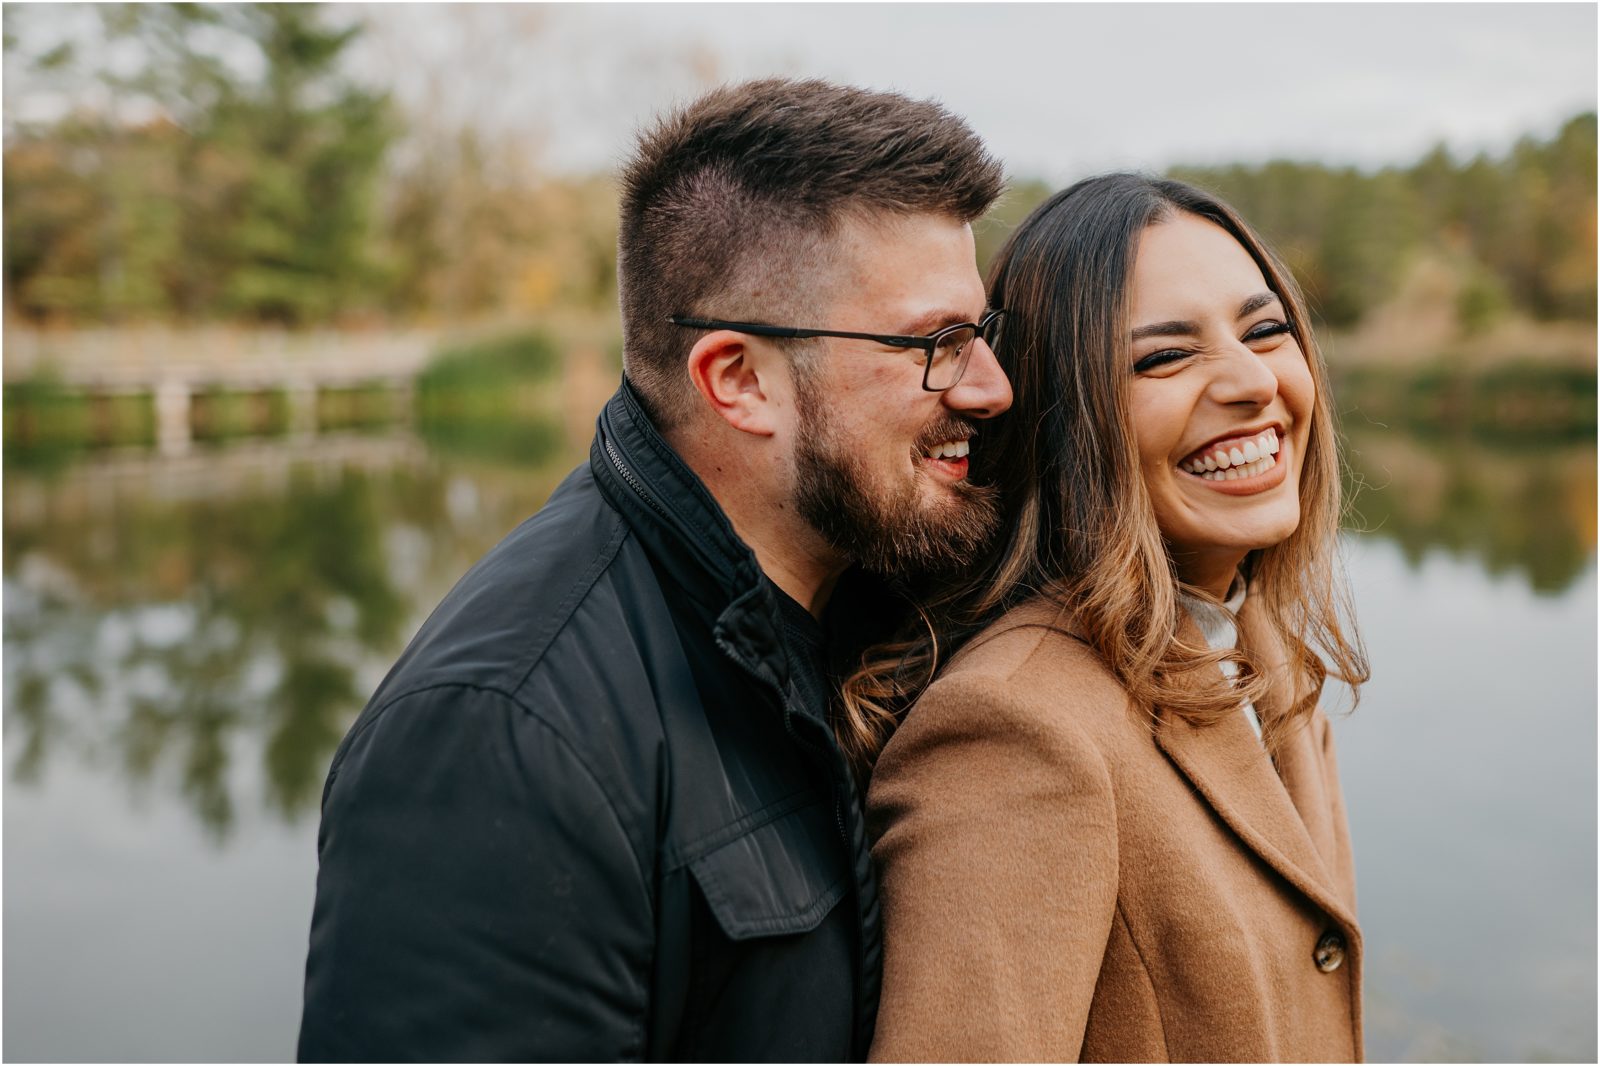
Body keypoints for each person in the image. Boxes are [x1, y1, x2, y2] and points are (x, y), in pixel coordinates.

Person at [296, 78, 1012, 1062]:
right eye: (935, 343)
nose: (990, 386)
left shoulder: (878, 603)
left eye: (982, 334)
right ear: (739, 380)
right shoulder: (502, 734)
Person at [854, 174, 1371, 1062]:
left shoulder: (1268, 661)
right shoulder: (1013, 733)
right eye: (1164, 357)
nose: (1252, 381)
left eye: (1265, 329)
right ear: (1062, 419)